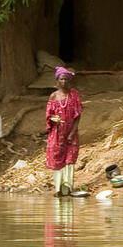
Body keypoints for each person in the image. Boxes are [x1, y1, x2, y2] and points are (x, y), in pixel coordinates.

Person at [45, 67, 83, 196]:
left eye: (66, 79)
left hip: (71, 131)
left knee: (70, 158)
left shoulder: (74, 94)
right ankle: (58, 188)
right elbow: (49, 115)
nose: (64, 82)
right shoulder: (54, 96)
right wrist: (54, 119)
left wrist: (72, 132)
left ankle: (68, 187)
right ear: (57, 80)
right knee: (57, 158)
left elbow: (78, 115)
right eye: (61, 79)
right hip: (57, 133)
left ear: (69, 81)